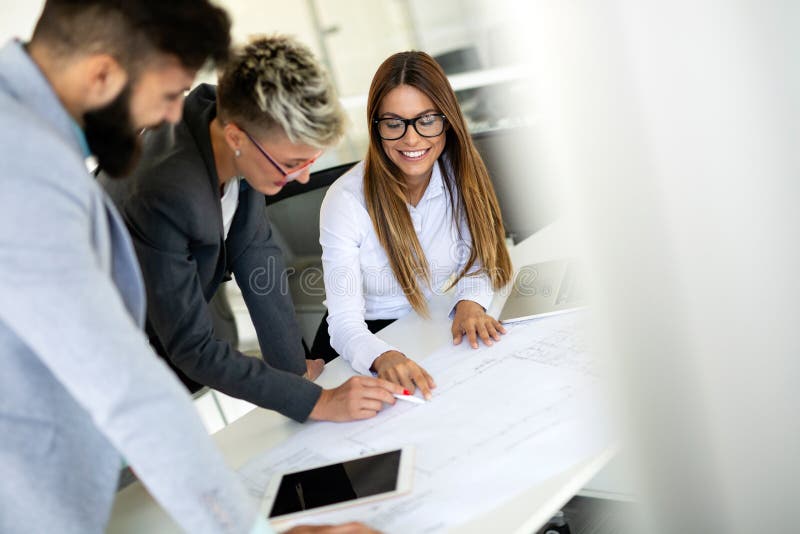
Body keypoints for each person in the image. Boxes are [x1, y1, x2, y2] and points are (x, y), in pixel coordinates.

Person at [0, 2, 378, 533]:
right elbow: (125, 382)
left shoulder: (30, 136)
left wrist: (292, 372)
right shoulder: (24, 171)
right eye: (167, 93)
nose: (172, 117)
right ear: (103, 73)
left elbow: (256, 251)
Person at [101, 35, 403, 423]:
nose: (304, 176)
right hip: (95, 339)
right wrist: (317, 403)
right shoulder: (164, 190)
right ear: (236, 138)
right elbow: (192, 346)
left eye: (310, 159)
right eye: (292, 163)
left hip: (161, 320)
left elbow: (255, 251)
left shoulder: (230, 123)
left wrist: (293, 371)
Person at [313, 51, 513, 399]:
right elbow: (344, 324)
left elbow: (482, 260)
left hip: (427, 326)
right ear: (375, 127)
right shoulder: (345, 201)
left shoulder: (459, 176)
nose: (411, 139)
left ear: (447, 120)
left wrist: (470, 301)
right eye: (394, 123)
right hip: (362, 346)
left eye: (426, 120)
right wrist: (383, 356)